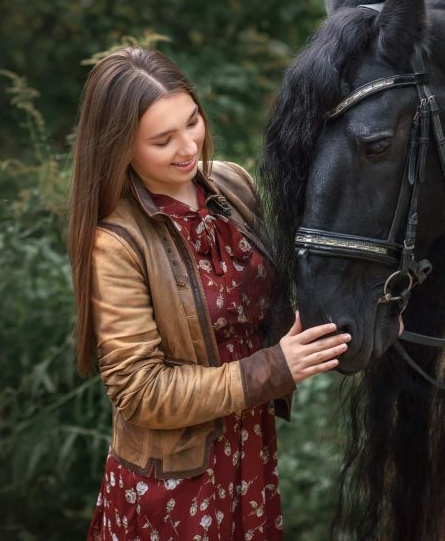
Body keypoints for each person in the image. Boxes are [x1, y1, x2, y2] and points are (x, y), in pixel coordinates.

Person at [67, 47, 349, 540]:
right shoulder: (115, 243)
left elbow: (275, 307)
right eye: (162, 140)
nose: (188, 147)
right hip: (174, 482)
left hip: (250, 455)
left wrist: (357, 307)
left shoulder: (233, 185)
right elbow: (140, 391)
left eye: (192, 122)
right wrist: (272, 369)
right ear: (120, 148)